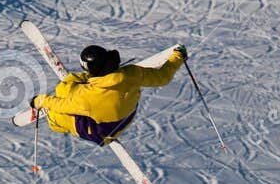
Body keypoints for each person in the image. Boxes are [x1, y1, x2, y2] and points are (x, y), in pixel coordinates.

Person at [30, 44, 187, 145]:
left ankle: (54, 120)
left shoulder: (86, 97)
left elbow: (61, 104)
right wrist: (177, 57)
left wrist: (40, 101)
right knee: (72, 89)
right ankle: (92, 81)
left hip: (104, 132)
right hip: (127, 117)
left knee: (59, 104)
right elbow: (162, 78)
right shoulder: (132, 73)